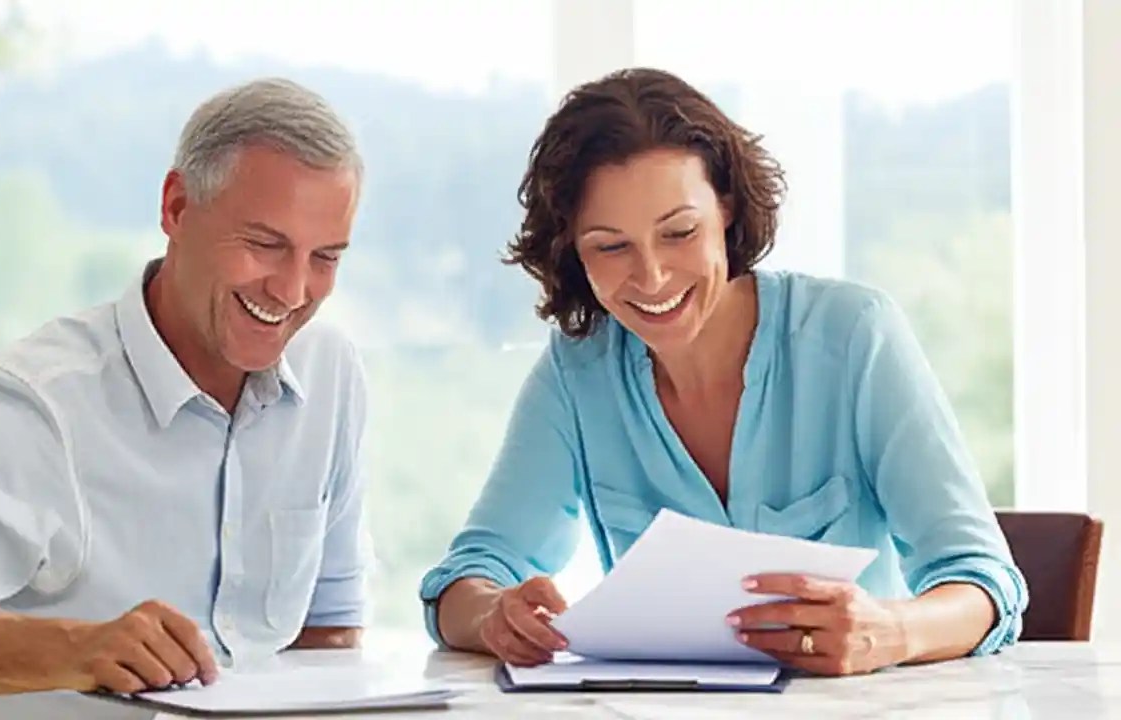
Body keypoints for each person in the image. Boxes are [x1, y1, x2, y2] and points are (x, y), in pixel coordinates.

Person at [419, 67, 1028, 676]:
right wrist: (496, 613)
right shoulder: (578, 372)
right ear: (571, 249)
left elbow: (983, 583)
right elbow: (463, 582)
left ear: (728, 209)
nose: (652, 276)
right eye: (610, 246)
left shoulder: (855, 336)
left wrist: (890, 631)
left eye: (680, 233)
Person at [0, 78, 369, 719]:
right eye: (265, 244)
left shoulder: (330, 373)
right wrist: (77, 649)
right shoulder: (35, 406)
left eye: (326, 258)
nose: (291, 290)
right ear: (176, 207)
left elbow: (328, 637)